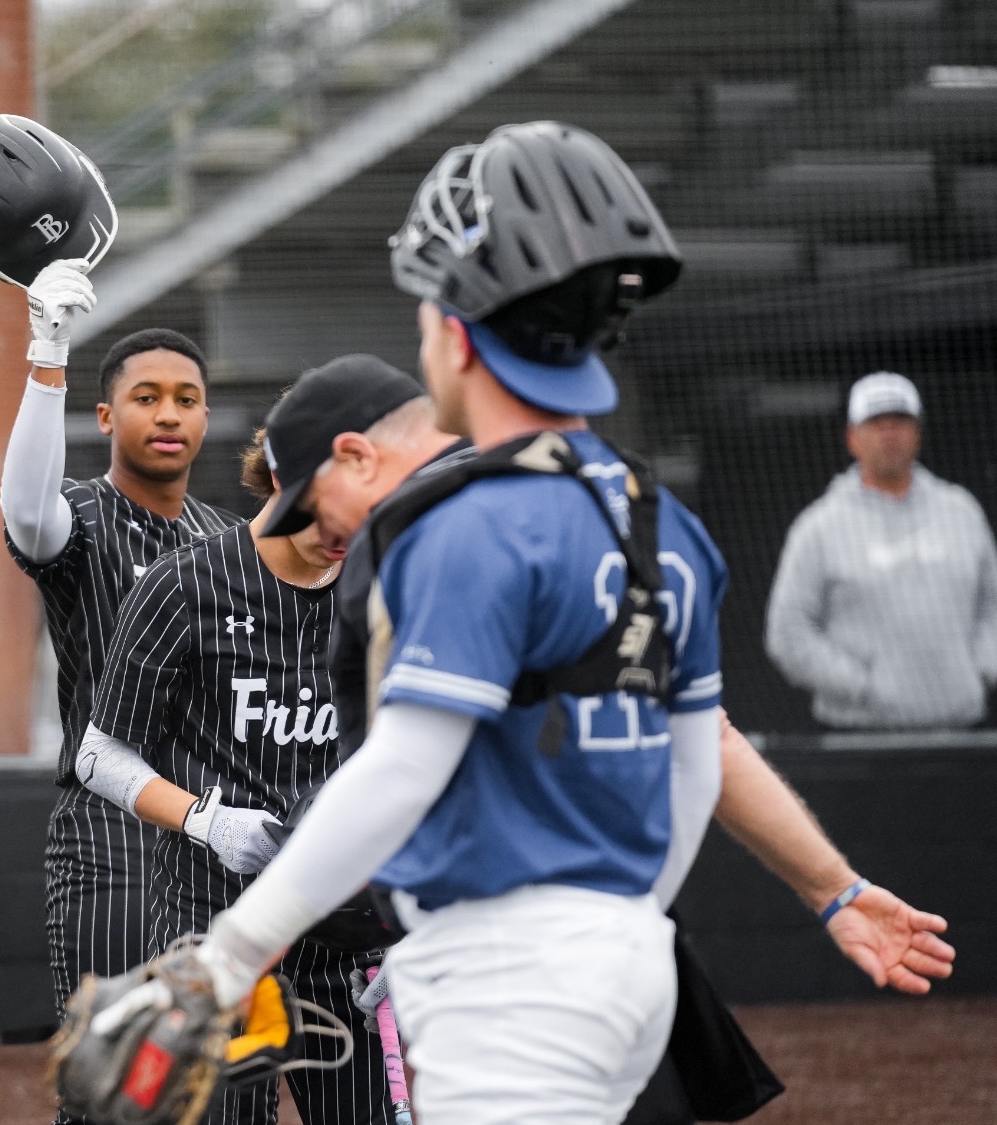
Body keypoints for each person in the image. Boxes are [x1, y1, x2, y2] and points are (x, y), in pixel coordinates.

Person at [182, 121, 724, 1124]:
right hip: (629, 961)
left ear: (459, 333)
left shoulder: (465, 526)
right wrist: (617, 923)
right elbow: (692, 776)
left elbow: (398, 771)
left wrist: (227, 956)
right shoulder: (665, 522)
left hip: (507, 979)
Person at [296, 370, 954, 1123]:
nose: (324, 538)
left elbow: (405, 769)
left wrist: (235, 953)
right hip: (617, 948)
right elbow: (709, 741)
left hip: (517, 961)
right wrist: (830, 887)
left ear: (357, 457)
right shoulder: (603, 510)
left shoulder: (446, 529)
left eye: (313, 507)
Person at [75, 361, 394, 1125]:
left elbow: (407, 766)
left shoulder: (386, 590)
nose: (342, 534)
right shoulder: (186, 584)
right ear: (280, 478)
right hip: (213, 930)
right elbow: (98, 755)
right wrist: (210, 822)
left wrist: (404, 925)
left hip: (344, 939)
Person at [0, 260, 243, 1056]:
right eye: (146, 398)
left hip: (217, 839)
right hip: (110, 840)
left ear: (206, 417)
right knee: (113, 1082)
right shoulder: (83, 516)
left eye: (186, 399)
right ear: (105, 416)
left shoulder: (227, 542)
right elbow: (26, 515)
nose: (168, 413)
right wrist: (48, 353)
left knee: (215, 1086)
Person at [765, 371, 997, 730]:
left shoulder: (961, 511)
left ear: (918, 434)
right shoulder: (819, 527)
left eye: (900, 421)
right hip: (863, 739)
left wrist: (981, 669)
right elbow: (788, 633)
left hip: (961, 732)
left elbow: (992, 603)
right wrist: (862, 687)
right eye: (876, 423)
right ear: (852, 438)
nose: (890, 433)